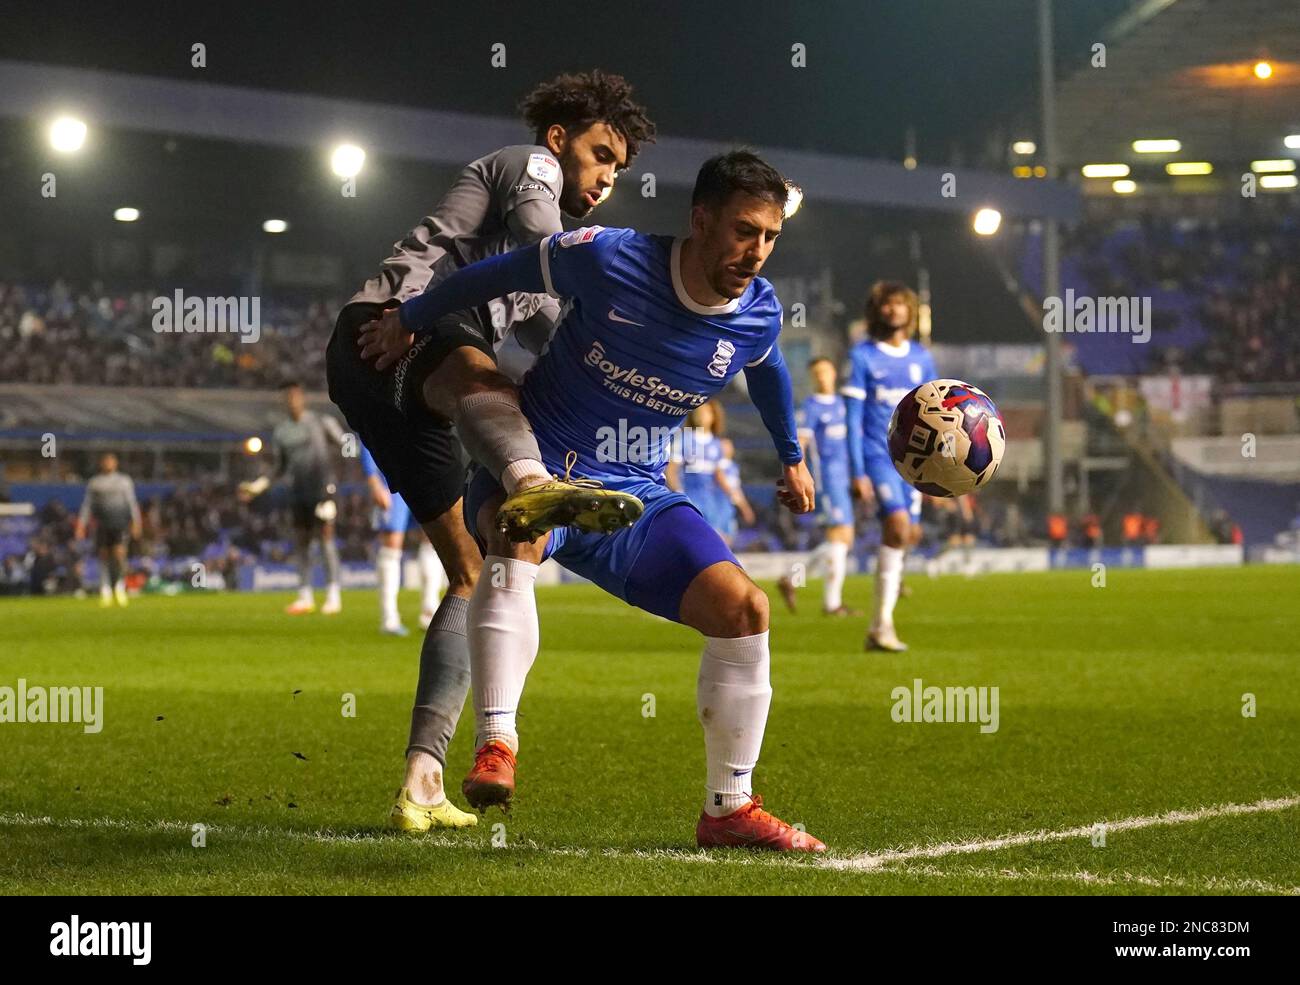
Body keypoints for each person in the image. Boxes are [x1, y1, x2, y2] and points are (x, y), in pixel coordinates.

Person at [363, 150, 826, 852]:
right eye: (741, 230)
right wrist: (413, 317)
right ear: (700, 219)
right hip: (536, 462)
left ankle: (728, 809)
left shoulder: (756, 313)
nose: (754, 251)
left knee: (746, 610)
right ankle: (498, 744)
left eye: (768, 236)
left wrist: (790, 455)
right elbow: (503, 271)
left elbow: (767, 370)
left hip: (633, 491)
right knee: (521, 527)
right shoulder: (613, 259)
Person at [325, 70, 656, 833]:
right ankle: (530, 479)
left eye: (620, 170)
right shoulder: (526, 168)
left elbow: (556, 349)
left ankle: (422, 777)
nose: (608, 178)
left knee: (469, 575)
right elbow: (550, 243)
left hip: (398, 390)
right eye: (603, 154)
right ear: (559, 139)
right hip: (393, 322)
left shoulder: (541, 287)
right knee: (484, 379)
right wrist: (632, 284)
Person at [843, 281, 935, 652]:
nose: (894, 310)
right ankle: (881, 626)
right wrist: (857, 470)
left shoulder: (922, 357)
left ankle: (879, 626)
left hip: (915, 462)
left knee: (908, 535)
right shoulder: (863, 356)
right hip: (878, 455)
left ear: (911, 312)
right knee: (896, 527)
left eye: (901, 304)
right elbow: (852, 418)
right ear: (877, 311)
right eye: (888, 304)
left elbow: (940, 416)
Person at [240, 382, 347, 615]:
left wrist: (336, 477)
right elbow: (279, 468)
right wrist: (257, 487)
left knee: (326, 540)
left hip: (322, 491)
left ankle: (333, 594)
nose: (292, 401)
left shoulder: (320, 422)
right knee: (301, 543)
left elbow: (347, 447)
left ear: (302, 398)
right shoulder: (282, 432)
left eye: (295, 396)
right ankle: (305, 595)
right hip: (298, 493)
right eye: (287, 397)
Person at [779, 357, 859, 616]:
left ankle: (791, 579)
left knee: (843, 539)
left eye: (826, 371)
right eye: (817, 373)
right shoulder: (811, 407)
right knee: (839, 538)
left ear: (834, 373)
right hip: (826, 479)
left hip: (843, 478)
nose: (822, 377)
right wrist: (798, 474)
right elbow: (800, 442)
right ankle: (832, 604)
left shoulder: (842, 404)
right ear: (813, 378)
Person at [360, 443, 447, 636]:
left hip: (424, 477)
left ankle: (430, 611)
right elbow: (366, 441)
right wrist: (374, 482)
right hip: (392, 481)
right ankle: (389, 617)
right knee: (392, 543)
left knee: (431, 539)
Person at [74, 452, 141, 607]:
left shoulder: (124, 481)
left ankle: (119, 586)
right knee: (103, 555)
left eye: (111, 461)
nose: (108, 464)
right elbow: (87, 505)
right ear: (101, 464)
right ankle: (105, 589)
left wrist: (136, 522)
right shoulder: (95, 482)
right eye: (106, 461)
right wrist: (81, 525)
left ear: (115, 463)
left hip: (120, 523)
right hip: (102, 524)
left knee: (119, 554)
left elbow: (132, 502)